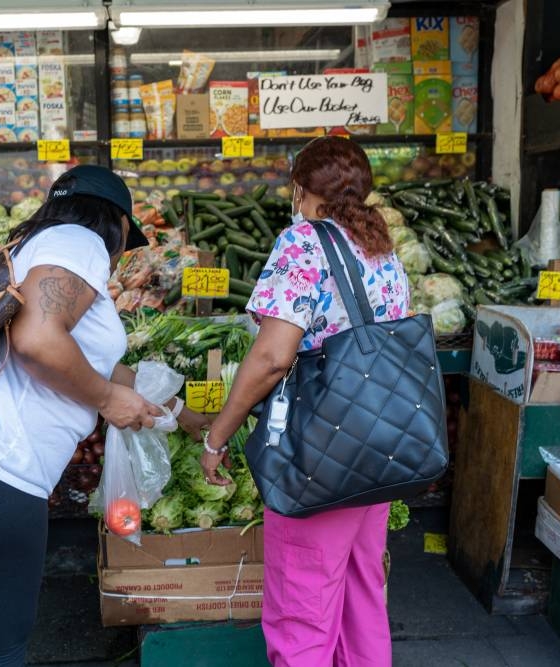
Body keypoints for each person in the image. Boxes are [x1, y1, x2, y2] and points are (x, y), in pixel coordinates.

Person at [0, 165, 209, 667]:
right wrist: (106, 400)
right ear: (117, 222)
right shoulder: (79, 240)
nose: (120, 255)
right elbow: (37, 340)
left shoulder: (34, 247)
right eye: (125, 242)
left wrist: (178, 411)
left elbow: (91, 361)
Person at [199, 136, 409, 667]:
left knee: (303, 608)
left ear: (300, 190)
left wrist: (218, 436)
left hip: (319, 452)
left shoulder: (303, 243)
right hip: (379, 445)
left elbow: (272, 357)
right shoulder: (381, 247)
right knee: (362, 595)